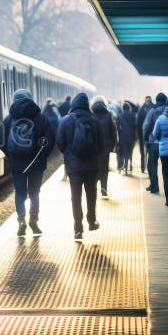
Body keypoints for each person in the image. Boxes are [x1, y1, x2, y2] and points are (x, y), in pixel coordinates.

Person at [0, 89, 56, 236]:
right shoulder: (40, 118)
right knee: (34, 193)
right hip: (36, 163)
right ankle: (34, 221)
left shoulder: (9, 118)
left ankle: (21, 220)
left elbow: (1, 141)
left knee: (20, 192)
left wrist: (11, 155)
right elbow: (50, 139)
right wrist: (42, 155)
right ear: (30, 99)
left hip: (17, 164)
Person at [56, 92, 103, 241]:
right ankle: (92, 221)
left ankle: (78, 228)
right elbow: (101, 144)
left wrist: (69, 154)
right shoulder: (94, 120)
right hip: (91, 166)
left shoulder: (66, 120)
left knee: (75, 197)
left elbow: (60, 142)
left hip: (73, 167)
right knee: (91, 194)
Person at [91, 95, 117, 198]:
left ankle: (93, 187)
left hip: (93, 148)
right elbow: (113, 131)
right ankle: (104, 188)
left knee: (94, 168)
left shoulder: (91, 114)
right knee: (104, 168)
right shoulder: (109, 114)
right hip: (105, 147)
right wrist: (112, 146)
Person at [142, 93, 167, 194]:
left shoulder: (152, 110)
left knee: (152, 165)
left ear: (156, 100)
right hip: (166, 143)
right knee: (166, 167)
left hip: (153, 143)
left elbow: (145, 126)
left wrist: (145, 140)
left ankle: (154, 186)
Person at [117, 102, 137, 175]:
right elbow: (135, 127)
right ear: (129, 108)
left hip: (122, 137)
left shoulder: (120, 116)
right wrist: (135, 138)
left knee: (123, 152)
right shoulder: (133, 116)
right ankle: (130, 163)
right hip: (131, 137)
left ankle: (123, 166)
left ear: (123, 108)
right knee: (130, 152)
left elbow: (118, 128)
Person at [136, 96, 154, 173]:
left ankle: (149, 168)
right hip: (142, 134)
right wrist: (138, 135)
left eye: (149, 101)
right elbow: (138, 123)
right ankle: (143, 167)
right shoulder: (142, 109)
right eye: (147, 100)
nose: (148, 102)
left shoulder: (153, 108)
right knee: (143, 153)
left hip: (151, 134)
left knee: (150, 153)